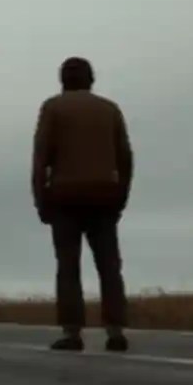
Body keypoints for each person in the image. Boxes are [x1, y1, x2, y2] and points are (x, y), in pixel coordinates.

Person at [31, 56, 134, 352]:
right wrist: (121, 195)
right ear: (92, 79)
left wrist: (41, 200)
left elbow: (41, 159)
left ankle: (72, 332)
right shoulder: (109, 109)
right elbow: (125, 157)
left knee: (68, 265)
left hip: (65, 197)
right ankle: (115, 331)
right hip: (104, 196)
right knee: (109, 265)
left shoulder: (53, 108)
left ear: (63, 80)